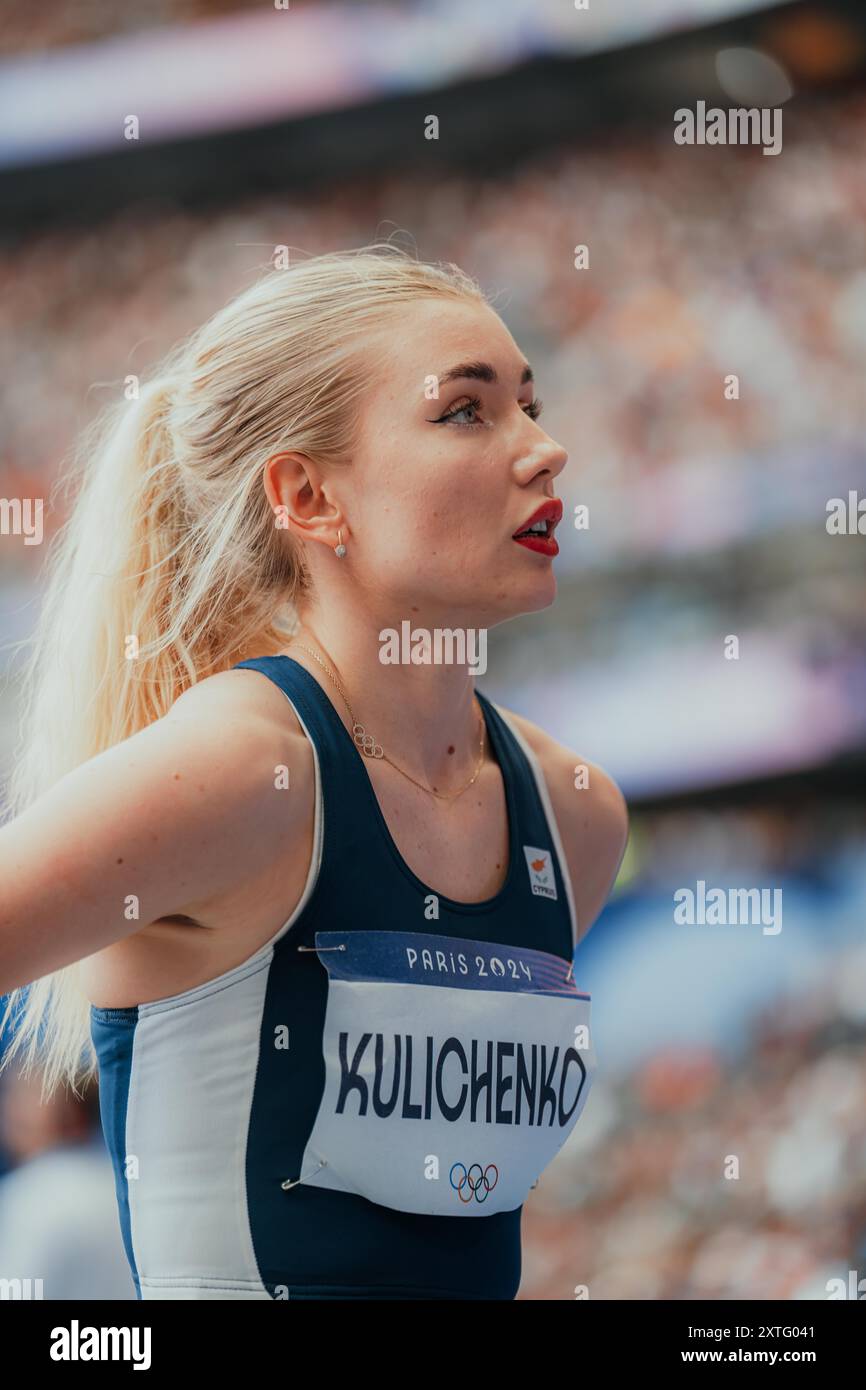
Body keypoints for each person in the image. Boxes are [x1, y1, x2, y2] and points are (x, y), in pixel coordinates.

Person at [0, 244, 627, 1300]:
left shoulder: (574, 817)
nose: (545, 450)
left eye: (529, 402)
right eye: (466, 413)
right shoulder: (241, 770)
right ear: (306, 494)